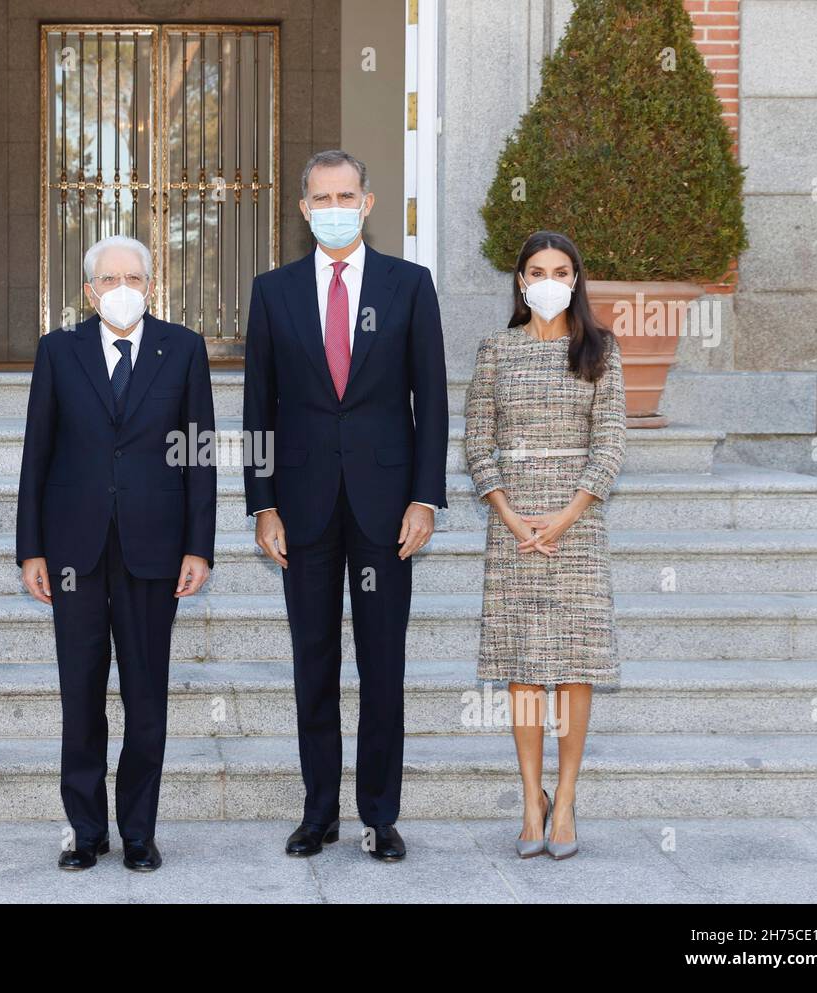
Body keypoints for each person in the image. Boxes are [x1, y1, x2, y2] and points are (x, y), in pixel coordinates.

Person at [242, 150, 448, 861]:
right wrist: (262, 504)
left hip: (387, 506)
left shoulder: (409, 286)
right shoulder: (272, 292)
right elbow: (258, 408)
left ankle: (380, 814)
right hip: (301, 507)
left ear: (368, 201)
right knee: (313, 661)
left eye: (347, 193)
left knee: (382, 662)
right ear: (304, 208)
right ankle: (318, 810)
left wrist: (426, 495)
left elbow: (433, 399)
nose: (334, 205)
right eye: (321, 195)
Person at [16, 234, 217, 872]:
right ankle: (86, 831)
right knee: (81, 693)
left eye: (133, 276)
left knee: (145, 694)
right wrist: (31, 551)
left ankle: (138, 831)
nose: (121, 288)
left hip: (154, 547)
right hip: (73, 546)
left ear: (152, 286)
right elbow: (35, 456)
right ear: (88, 290)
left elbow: (200, 456)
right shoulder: (57, 352)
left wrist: (199, 546)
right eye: (108, 279)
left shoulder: (182, 349)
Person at [463, 230, 626, 861]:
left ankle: (568, 797)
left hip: (577, 524)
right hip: (513, 525)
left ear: (576, 280)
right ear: (521, 282)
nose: (550, 279)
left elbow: (610, 444)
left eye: (562, 269)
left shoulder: (600, 350)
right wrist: (509, 515)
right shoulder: (495, 351)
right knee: (523, 670)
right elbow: (478, 441)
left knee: (576, 668)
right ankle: (532, 801)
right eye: (537, 270)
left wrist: (567, 514)